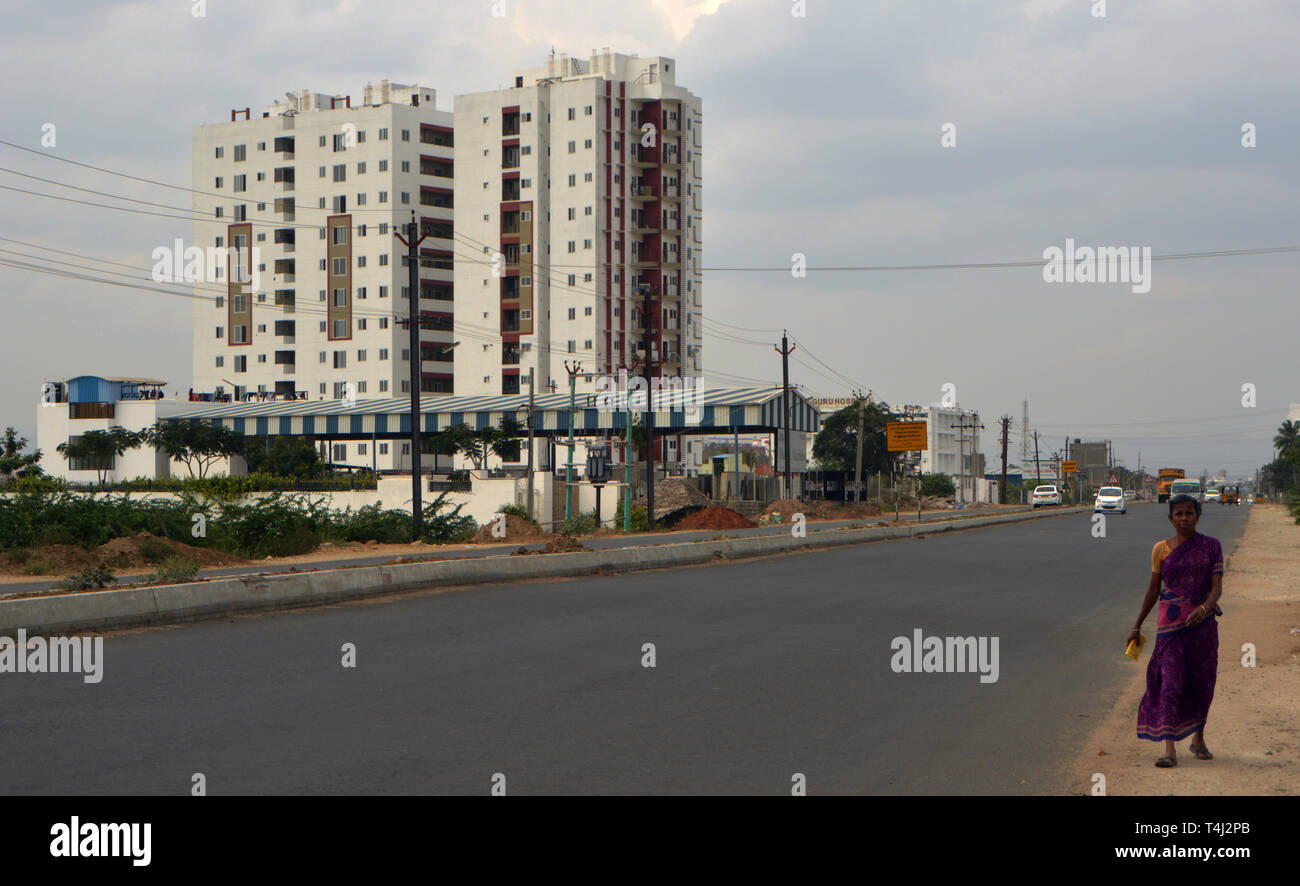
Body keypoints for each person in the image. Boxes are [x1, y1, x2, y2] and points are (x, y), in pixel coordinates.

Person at [1128, 494, 1224, 767]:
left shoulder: (1211, 547)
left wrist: (1204, 609)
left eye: (1189, 513)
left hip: (1203, 626)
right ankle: (1169, 749)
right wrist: (1136, 625)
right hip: (1169, 628)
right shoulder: (1161, 549)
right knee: (1170, 682)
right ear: (1171, 519)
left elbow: (1216, 587)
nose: (1184, 518)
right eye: (1179, 514)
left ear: (1198, 515)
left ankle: (1198, 739)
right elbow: (1153, 590)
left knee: (1201, 683)